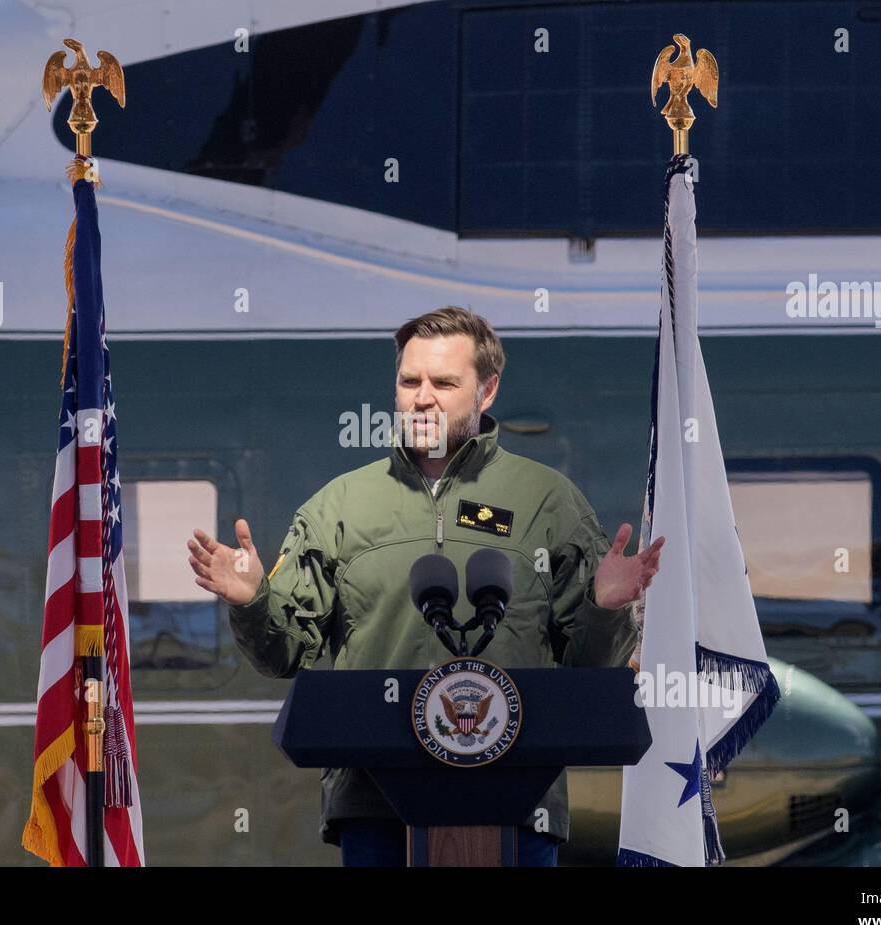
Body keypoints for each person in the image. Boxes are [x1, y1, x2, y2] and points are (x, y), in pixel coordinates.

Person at [187, 306, 663, 866]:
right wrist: (252, 603)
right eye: (409, 381)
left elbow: (589, 670)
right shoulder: (341, 505)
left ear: (487, 392)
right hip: (374, 804)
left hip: (519, 802)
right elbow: (283, 652)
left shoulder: (548, 502)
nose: (422, 397)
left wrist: (606, 609)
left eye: (443, 382)